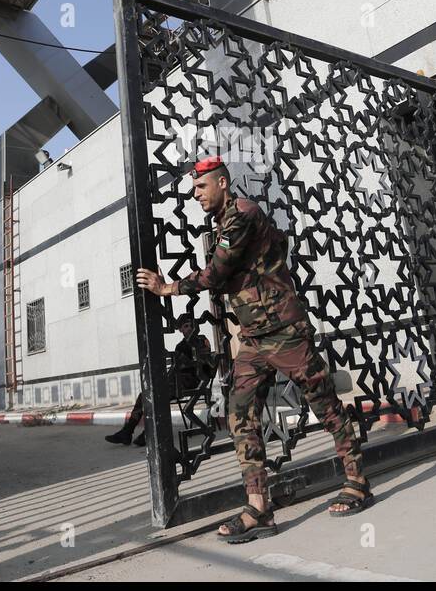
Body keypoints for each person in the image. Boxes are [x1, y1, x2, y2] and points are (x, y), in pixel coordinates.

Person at [135, 155, 371, 543]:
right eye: (194, 188)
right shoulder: (225, 220)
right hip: (254, 339)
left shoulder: (242, 214)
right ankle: (259, 507)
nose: (196, 195)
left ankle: (357, 480)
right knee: (241, 416)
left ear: (222, 183)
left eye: (201, 187)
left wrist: (168, 288)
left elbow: (216, 274)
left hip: (285, 330)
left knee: (323, 405)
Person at [106, 313, 214, 446]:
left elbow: (203, 361)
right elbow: (177, 367)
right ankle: (127, 431)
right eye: (186, 326)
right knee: (144, 396)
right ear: (180, 330)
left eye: (191, 325)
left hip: (195, 381)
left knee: (159, 396)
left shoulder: (202, 340)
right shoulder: (180, 346)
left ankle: (148, 434)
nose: (189, 328)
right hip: (178, 381)